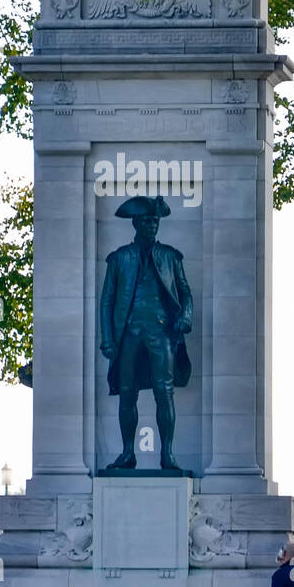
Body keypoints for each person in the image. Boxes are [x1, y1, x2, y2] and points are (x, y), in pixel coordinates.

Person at [99, 195, 193, 471]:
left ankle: (168, 455)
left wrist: (186, 315)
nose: (153, 225)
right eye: (148, 221)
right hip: (128, 333)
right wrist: (107, 338)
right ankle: (128, 453)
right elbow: (107, 301)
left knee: (164, 393)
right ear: (136, 223)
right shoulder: (119, 259)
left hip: (161, 331)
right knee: (127, 393)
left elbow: (186, 293)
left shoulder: (171, 257)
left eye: (156, 221)